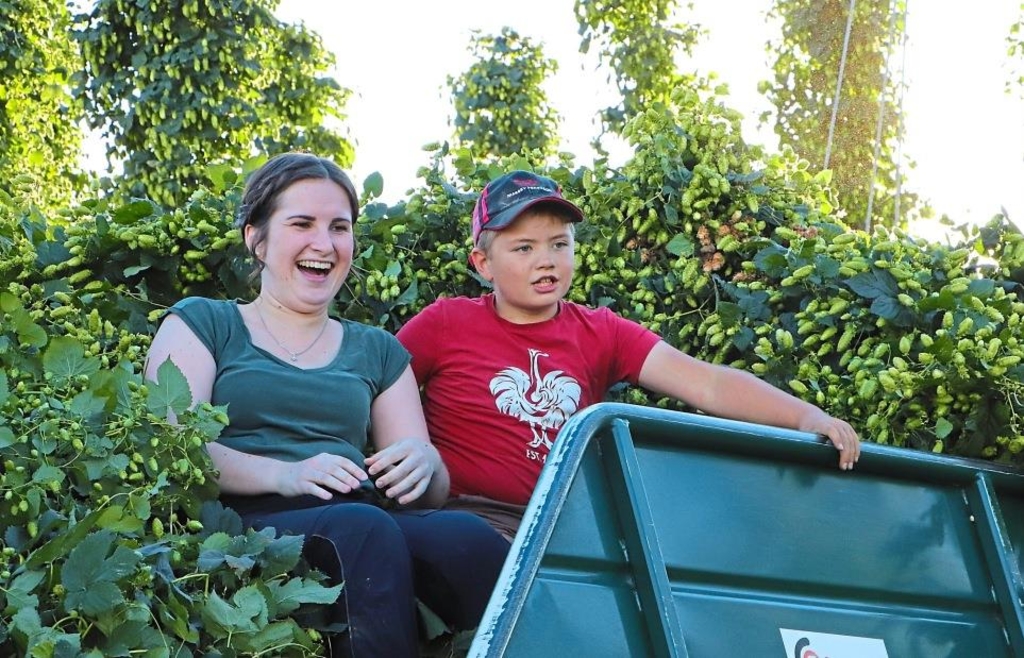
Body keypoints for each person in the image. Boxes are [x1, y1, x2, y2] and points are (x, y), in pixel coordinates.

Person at [144, 152, 509, 657]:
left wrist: (426, 466)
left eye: (339, 227)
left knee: (467, 538)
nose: (324, 243)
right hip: (242, 521)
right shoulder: (203, 324)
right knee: (362, 530)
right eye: (302, 223)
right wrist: (285, 475)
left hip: (358, 512)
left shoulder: (377, 349)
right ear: (257, 237)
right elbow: (174, 450)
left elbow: (427, 492)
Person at [396, 170, 862, 543]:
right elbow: (376, 381)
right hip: (469, 518)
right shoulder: (446, 323)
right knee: (452, 543)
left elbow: (707, 384)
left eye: (560, 244)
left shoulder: (600, 331)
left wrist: (807, 417)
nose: (547, 260)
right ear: (483, 264)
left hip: (564, 531)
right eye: (524, 248)